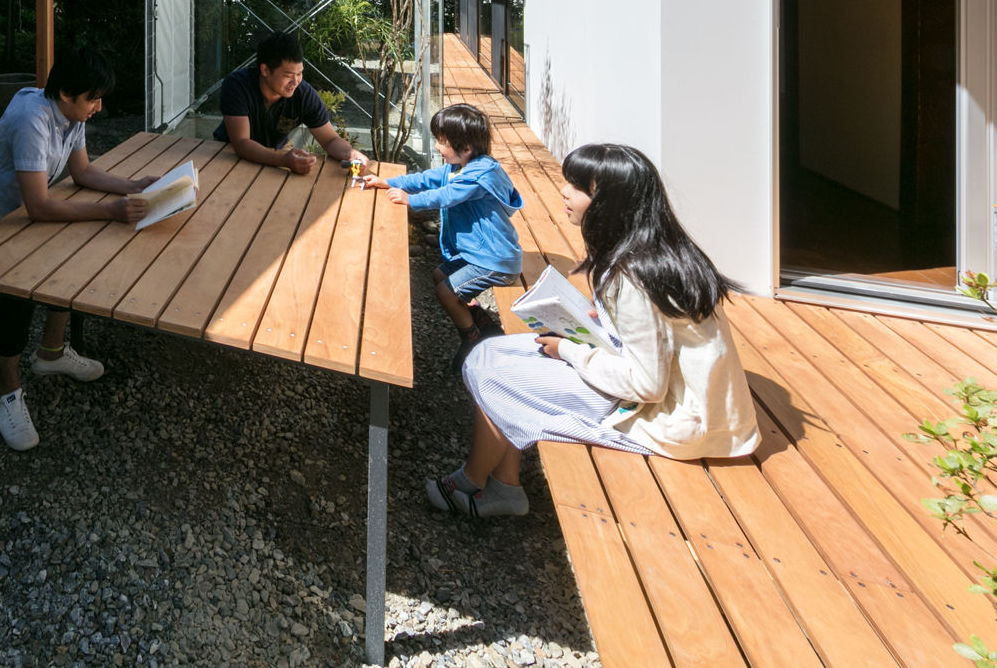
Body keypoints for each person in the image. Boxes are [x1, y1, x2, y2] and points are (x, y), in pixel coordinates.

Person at [427, 143, 759, 517]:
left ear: (611, 203)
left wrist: (569, 350)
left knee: (497, 379)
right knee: (486, 353)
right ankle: (505, 486)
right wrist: (599, 322)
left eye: (579, 187)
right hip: (657, 383)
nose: (564, 192)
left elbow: (648, 386)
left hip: (674, 416)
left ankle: (472, 480)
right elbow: (655, 335)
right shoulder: (650, 248)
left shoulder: (632, 274)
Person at [0, 47, 154, 452]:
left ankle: (51, 352)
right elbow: (40, 207)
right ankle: (9, 392)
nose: (98, 107)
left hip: (1, 219)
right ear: (65, 93)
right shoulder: (32, 120)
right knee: (19, 279)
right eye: (92, 99)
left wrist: (135, 186)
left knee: (71, 246)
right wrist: (110, 211)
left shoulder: (68, 114)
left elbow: (83, 171)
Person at [358, 103, 523, 374]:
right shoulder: (461, 166)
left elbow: (445, 195)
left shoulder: (479, 175)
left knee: (445, 292)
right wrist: (389, 181)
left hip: (496, 260)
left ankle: (471, 339)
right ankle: (482, 322)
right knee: (438, 275)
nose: (437, 147)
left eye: (442, 142)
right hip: (479, 254)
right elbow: (428, 179)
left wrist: (411, 201)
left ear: (466, 148)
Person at [213, 31, 366, 176]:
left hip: (277, 155)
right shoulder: (237, 85)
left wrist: (351, 153)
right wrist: (283, 160)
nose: (295, 82)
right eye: (288, 75)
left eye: (299, 74)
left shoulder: (303, 94)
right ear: (265, 70)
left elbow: (330, 140)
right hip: (228, 153)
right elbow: (241, 143)